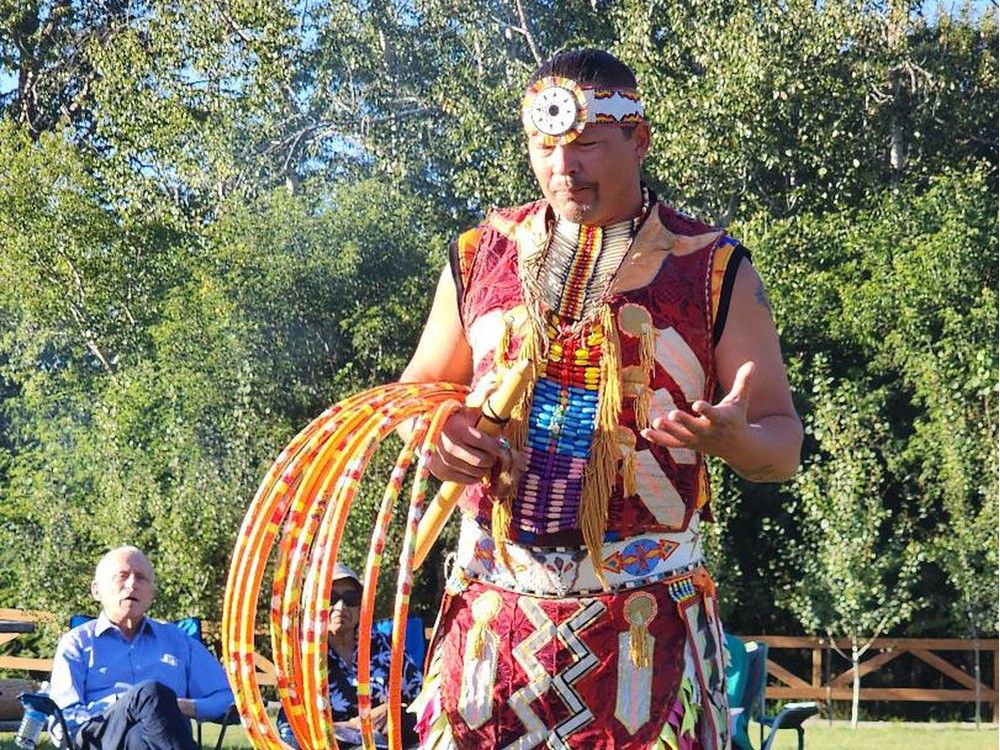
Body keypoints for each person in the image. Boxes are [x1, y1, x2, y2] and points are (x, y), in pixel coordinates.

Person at [399, 48, 802, 750]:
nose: (564, 167)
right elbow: (414, 404)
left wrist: (736, 440)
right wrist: (441, 435)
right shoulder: (478, 256)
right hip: (493, 634)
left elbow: (782, 446)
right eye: (545, 148)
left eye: (586, 146)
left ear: (638, 139)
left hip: (645, 633)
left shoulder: (710, 266)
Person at [48, 546, 233, 750]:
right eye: (122, 576)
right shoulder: (77, 643)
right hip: (98, 737)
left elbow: (227, 698)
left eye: (141, 578)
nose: (132, 584)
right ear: (96, 590)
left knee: (141, 733)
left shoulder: (178, 641)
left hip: (154, 738)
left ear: (151, 593)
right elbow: (64, 718)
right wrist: (128, 706)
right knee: (150, 694)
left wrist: (187, 707)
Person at [276, 563, 423, 749]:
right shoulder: (304, 657)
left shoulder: (385, 647)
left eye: (351, 598)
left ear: (361, 605)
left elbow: (422, 698)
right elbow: (288, 725)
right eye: (331, 597)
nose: (341, 606)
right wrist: (353, 727)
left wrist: (392, 710)